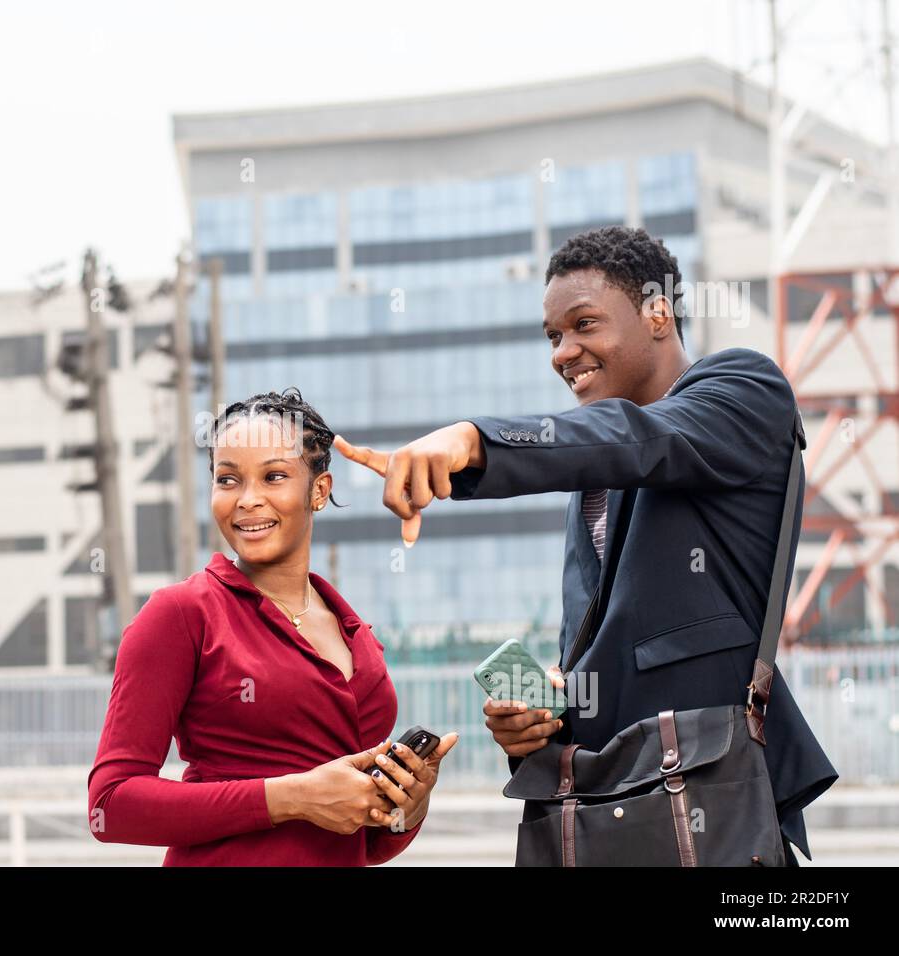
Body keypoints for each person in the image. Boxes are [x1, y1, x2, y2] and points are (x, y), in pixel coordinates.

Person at [336, 226, 837, 865]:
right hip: (613, 815)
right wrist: (541, 719)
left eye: (584, 324)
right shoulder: (593, 482)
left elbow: (639, 438)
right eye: (553, 336)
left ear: (658, 313)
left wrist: (473, 441)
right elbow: (610, 650)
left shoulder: (743, 389)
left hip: (713, 815)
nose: (564, 352)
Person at [88, 387, 459, 865]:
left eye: (274, 476)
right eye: (228, 480)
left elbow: (362, 840)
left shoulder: (358, 637)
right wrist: (291, 798)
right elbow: (110, 805)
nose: (247, 500)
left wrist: (408, 806)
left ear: (319, 491)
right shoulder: (180, 614)